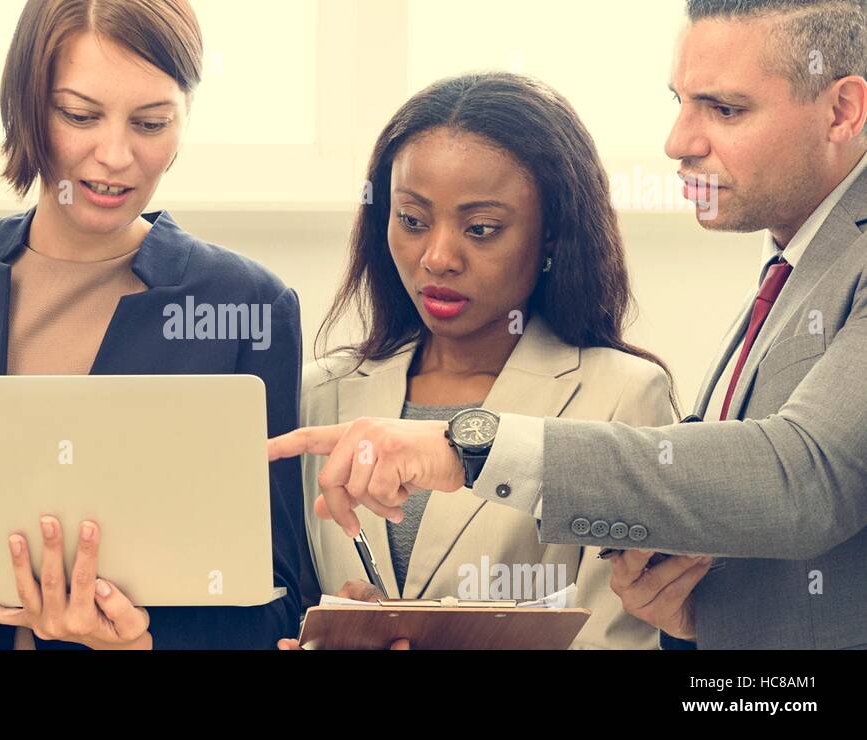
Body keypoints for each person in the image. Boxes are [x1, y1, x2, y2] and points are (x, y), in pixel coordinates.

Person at [269, 0, 867, 650]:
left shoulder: (633, 384)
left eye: (724, 109)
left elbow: (805, 476)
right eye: (681, 102)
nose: (677, 143)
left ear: (842, 110)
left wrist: (467, 446)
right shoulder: (789, 270)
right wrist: (698, 621)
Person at [0, 0, 304, 650]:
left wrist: (138, 637)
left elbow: (282, 605)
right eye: (80, 115)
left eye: (150, 122)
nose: (116, 154)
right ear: (27, 105)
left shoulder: (248, 305)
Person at [279, 74, 669, 651]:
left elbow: (619, 640)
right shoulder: (324, 393)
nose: (437, 258)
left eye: (481, 229)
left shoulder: (622, 396)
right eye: (411, 221)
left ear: (554, 235)